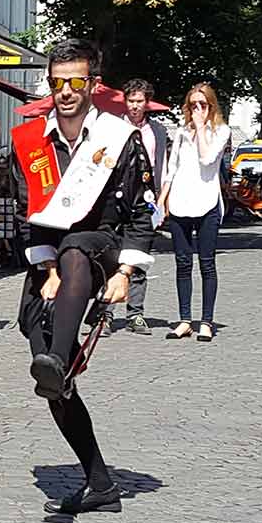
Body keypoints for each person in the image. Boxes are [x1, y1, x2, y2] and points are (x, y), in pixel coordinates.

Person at [11, 38, 155, 515]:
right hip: (49, 259)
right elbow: (27, 215)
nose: (66, 91)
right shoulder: (31, 140)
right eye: (58, 82)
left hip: (102, 246)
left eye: (76, 81)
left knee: (77, 249)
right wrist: (46, 270)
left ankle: (57, 354)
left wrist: (127, 273)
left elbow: (140, 212)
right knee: (53, 379)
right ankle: (100, 482)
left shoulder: (119, 137)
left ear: (93, 83)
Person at [159, 83, 228, 342]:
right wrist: (163, 198)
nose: (197, 109)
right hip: (180, 201)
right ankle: (185, 319)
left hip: (207, 202)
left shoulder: (221, 131)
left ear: (211, 106)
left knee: (207, 263)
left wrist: (200, 128)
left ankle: (207, 320)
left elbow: (207, 159)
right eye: (193, 105)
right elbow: (172, 166)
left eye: (202, 104)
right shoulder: (180, 133)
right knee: (182, 263)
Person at [100, 79, 169, 335]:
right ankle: (105, 313)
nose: (135, 106)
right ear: (125, 102)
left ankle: (136, 313)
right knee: (112, 256)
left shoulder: (157, 131)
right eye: (131, 101)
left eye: (140, 101)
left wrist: (162, 199)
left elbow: (162, 166)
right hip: (117, 197)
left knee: (138, 256)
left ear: (147, 103)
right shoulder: (114, 128)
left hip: (146, 197)